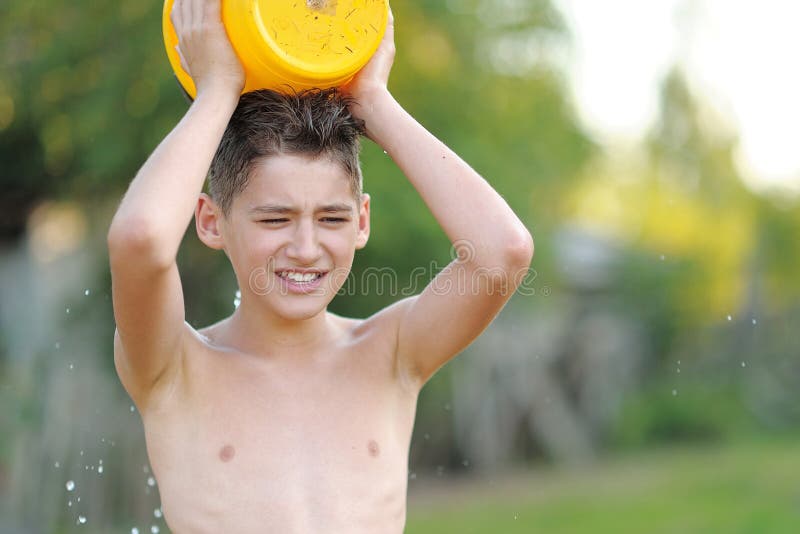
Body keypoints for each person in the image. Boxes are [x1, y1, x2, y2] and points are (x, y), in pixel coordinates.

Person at [107, 0, 533, 532]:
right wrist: (217, 89)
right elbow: (140, 240)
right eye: (275, 219)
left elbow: (504, 253)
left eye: (331, 218)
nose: (306, 248)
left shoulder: (392, 353)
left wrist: (373, 101)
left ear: (361, 221)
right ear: (211, 222)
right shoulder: (174, 369)